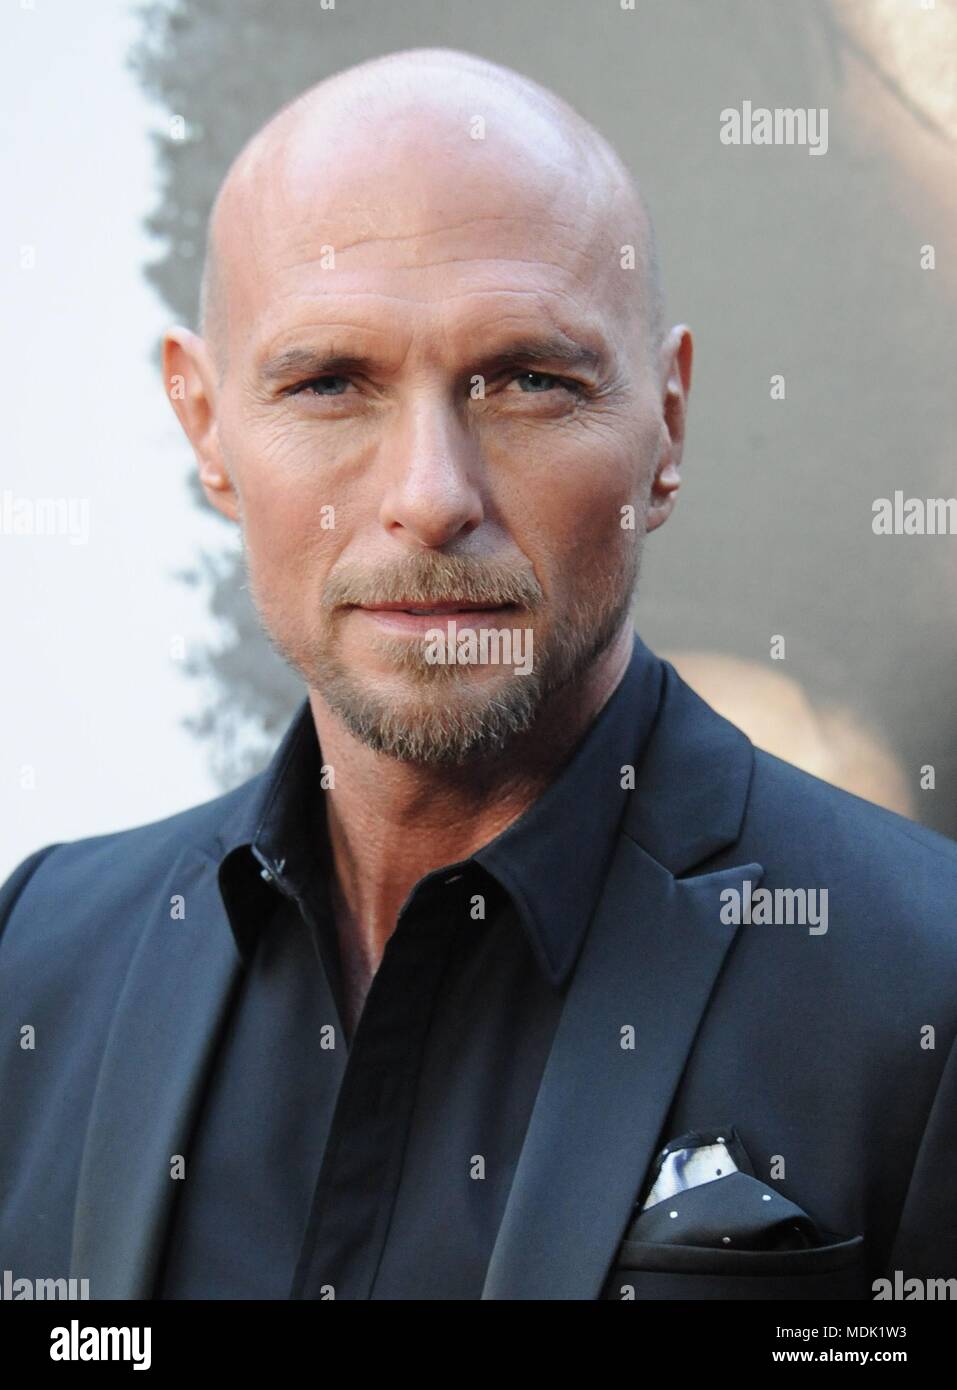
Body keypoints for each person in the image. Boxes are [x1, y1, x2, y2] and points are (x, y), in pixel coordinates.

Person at [2, 47, 956, 1302]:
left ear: (667, 425)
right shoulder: (39, 956)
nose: (431, 498)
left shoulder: (925, 979)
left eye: (526, 381)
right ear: (206, 428)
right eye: (331, 383)